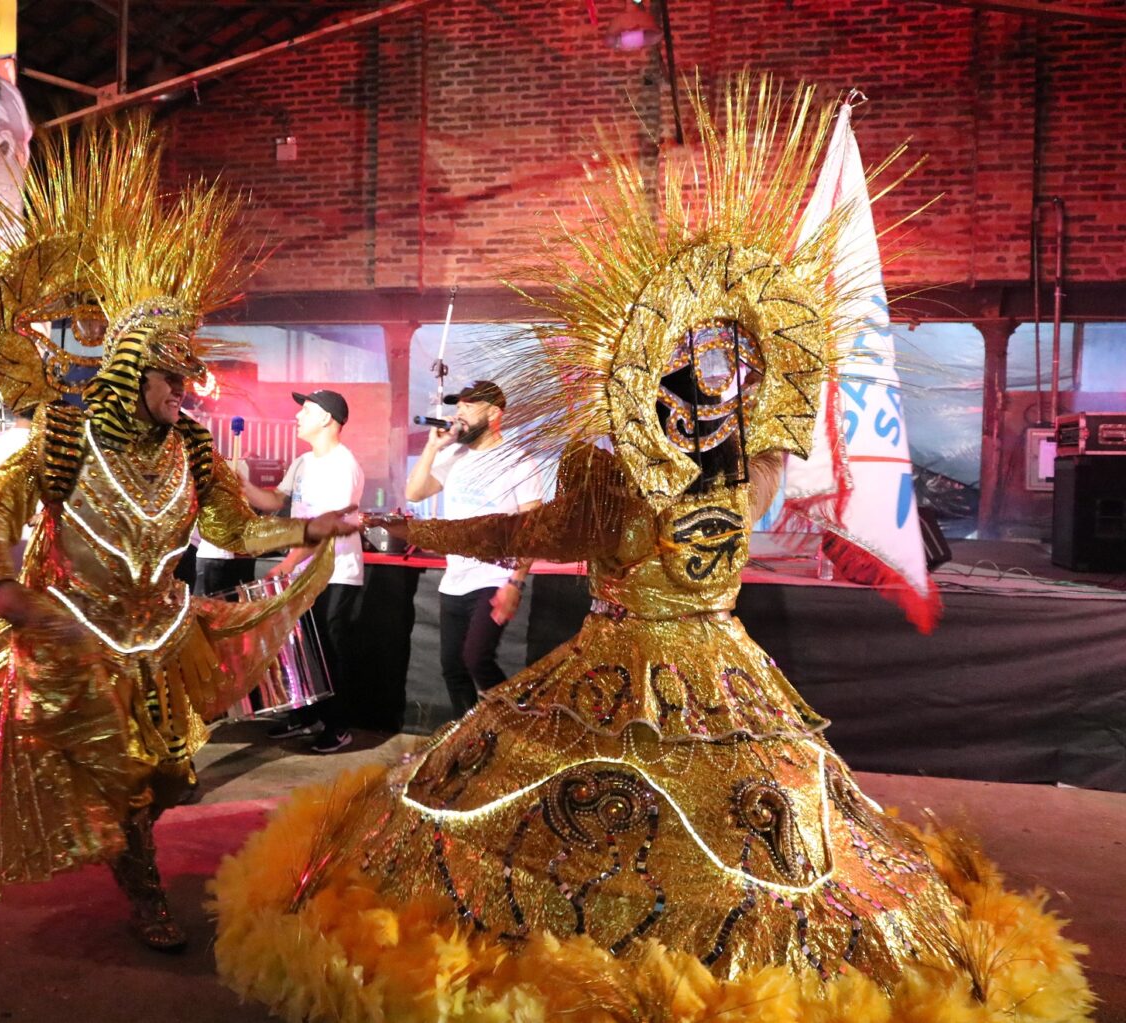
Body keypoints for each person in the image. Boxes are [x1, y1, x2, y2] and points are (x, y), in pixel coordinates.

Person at [210, 81, 1094, 1019]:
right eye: (696, 379)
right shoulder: (650, 470)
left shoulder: (733, 468)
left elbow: (567, 521)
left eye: (718, 383)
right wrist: (403, 524)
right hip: (633, 673)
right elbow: (524, 530)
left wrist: (786, 389)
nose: (707, 398)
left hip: (716, 684)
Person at [0, 119, 360, 951]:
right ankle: (141, 884)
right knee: (121, 777)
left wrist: (314, 523)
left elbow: (232, 525)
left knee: (163, 773)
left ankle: (130, 845)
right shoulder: (70, 434)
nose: (188, 390)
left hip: (162, 639)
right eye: (176, 376)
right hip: (79, 635)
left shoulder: (193, 447)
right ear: (138, 370)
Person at [404, 380, 541, 717]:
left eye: (468, 405)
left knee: (476, 657)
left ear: (494, 413)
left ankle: (516, 724)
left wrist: (516, 582)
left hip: (494, 577)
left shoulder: (518, 461)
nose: (459, 412)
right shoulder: (454, 456)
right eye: (458, 406)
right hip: (455, 580)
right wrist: (433, 448)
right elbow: (414, 493)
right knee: (453, 667)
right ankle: (468, 743)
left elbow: (533, 529)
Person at [240, 390, 364, 753]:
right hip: (304, 574)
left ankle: (339, 726)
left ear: (327, 419)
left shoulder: (343, 465)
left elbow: (325, 528)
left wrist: (288, 563)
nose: (297, 417)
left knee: (329, 650)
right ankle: (308, 716)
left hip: (335, 572)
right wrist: (242, 485)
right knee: (304, 648)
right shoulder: (303, 462)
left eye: (306, 411)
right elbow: (274, 502)